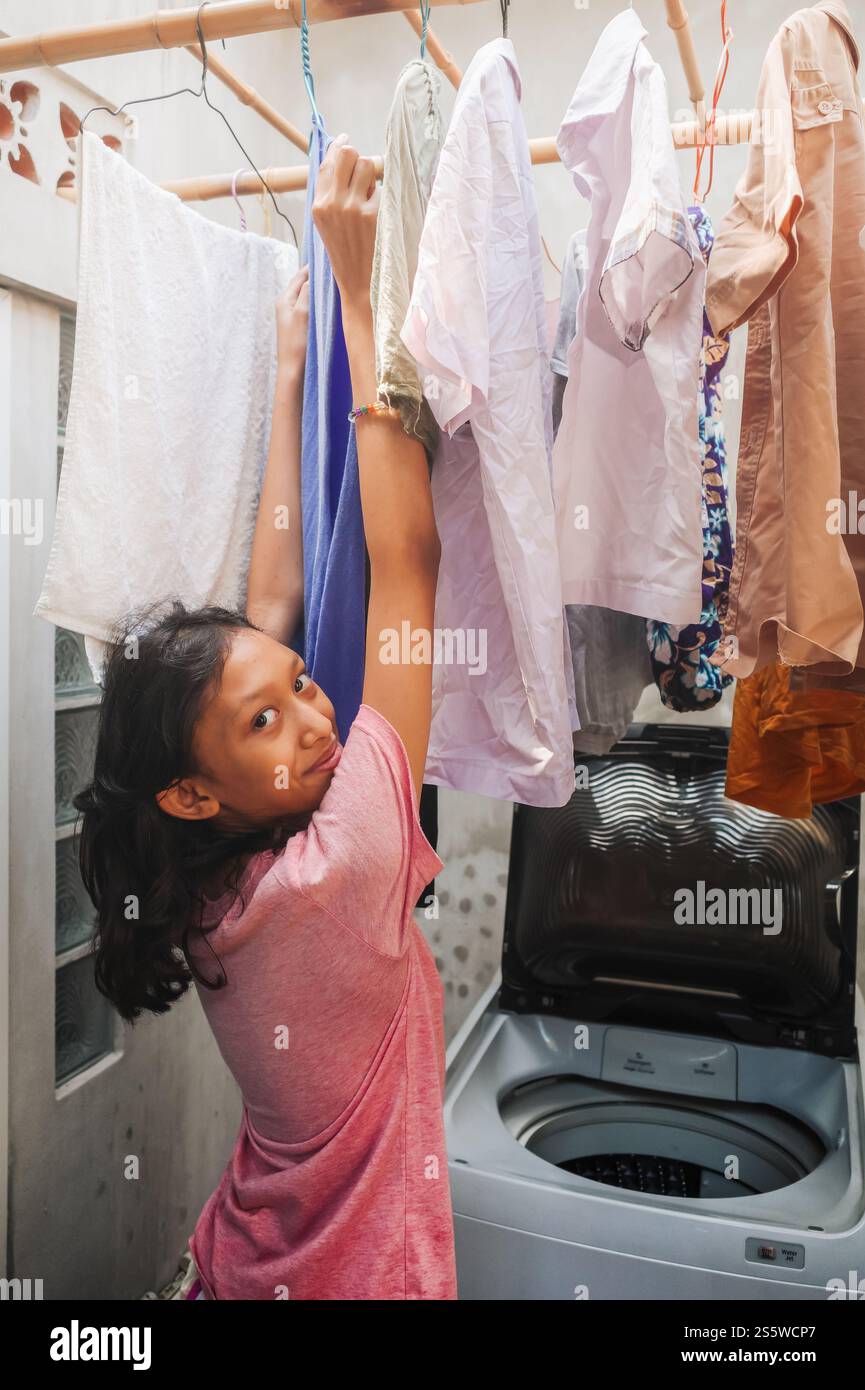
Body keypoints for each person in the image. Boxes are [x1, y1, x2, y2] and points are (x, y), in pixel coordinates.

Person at [74, 135, 456, 1300]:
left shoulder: (202, 877)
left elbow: (275, 604)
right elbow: (409, 565)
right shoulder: (341, 864)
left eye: (296, 683)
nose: (312, 713)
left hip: (247, 1262)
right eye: (266, 722)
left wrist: (289, 383)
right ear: (196, 789)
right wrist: (356, 291)